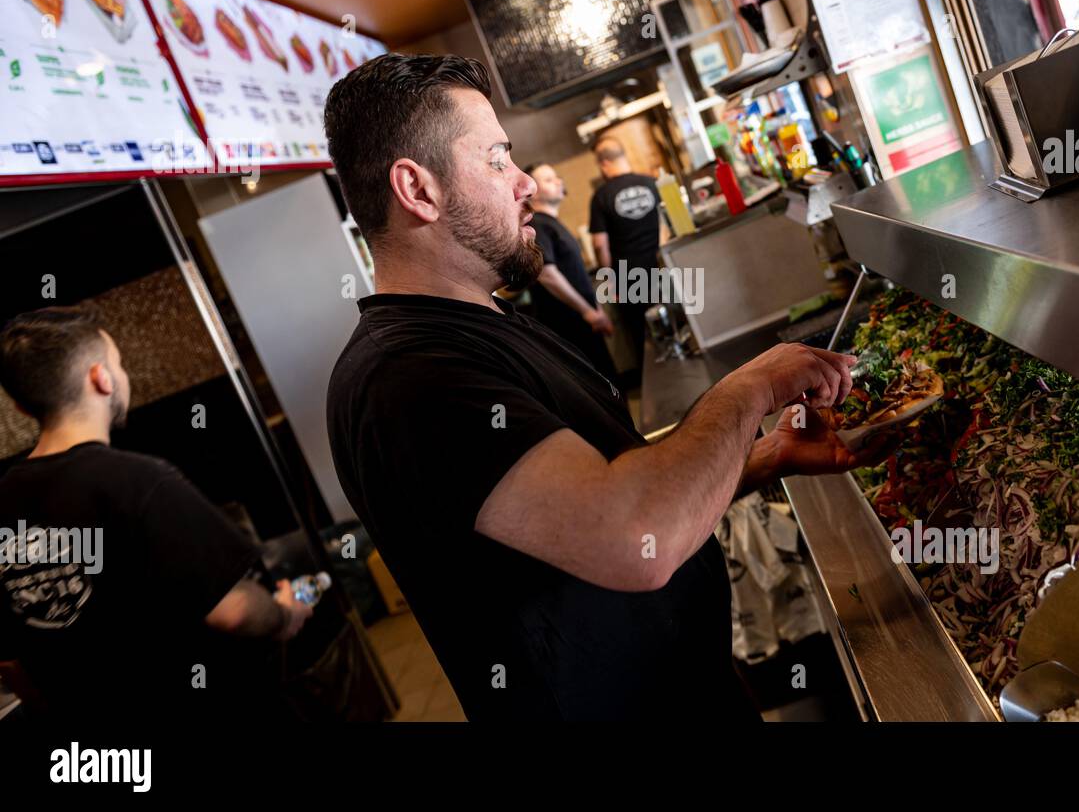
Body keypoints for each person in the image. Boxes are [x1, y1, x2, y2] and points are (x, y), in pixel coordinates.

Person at [322, 53, 897, 721]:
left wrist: (758, 455)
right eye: (497, 160)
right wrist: (752, 389)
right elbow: (630, 533)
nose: (524, 186)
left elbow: (596, 496)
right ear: (417, 190)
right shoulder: (409, 379)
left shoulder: (486, 322)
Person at [0, 307, 312, 720]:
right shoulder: (139, 481)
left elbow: (11, 662)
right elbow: (234, 610)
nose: (123, 375)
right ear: (101, 378)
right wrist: (285, 615)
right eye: (119, 363)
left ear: (23, 408)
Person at [521, 162, 619, 384]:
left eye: (556, 176)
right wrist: (589, 312)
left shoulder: (552, 223)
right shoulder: (538, 224)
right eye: (547, 179)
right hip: (569, 325)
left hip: (582, 321)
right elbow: (546, 273)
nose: (558, 181)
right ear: (532, 193)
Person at [587, 136, 664, 366]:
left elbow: (600, 244)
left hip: (629, 280)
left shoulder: (601, 196)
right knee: (673, 326)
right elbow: (667, 226)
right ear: (623, 156)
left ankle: (657, 396)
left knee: (645, 341)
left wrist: (609, 280)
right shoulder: (652, 183)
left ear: (603, 164)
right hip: (661, 269)